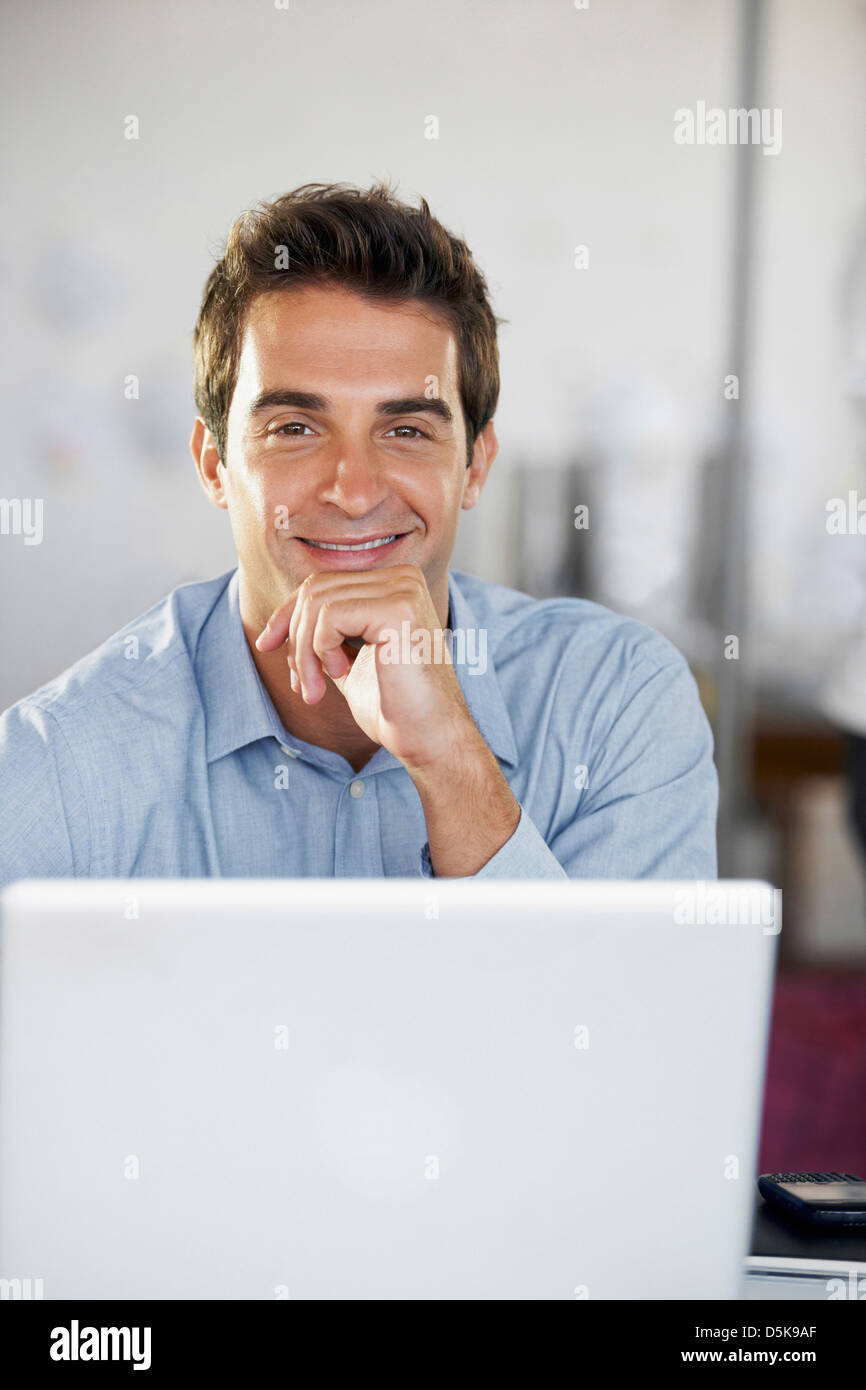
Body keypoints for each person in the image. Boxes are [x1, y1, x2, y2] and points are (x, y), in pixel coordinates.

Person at [0, 181, 718, 884]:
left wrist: (450, 760)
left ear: (475, 467)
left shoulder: (616, 703)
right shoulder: (57, 763)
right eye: (295, 428)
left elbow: (616, 1008)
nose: (354, 489)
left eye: (406, 429)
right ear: (214, 465)